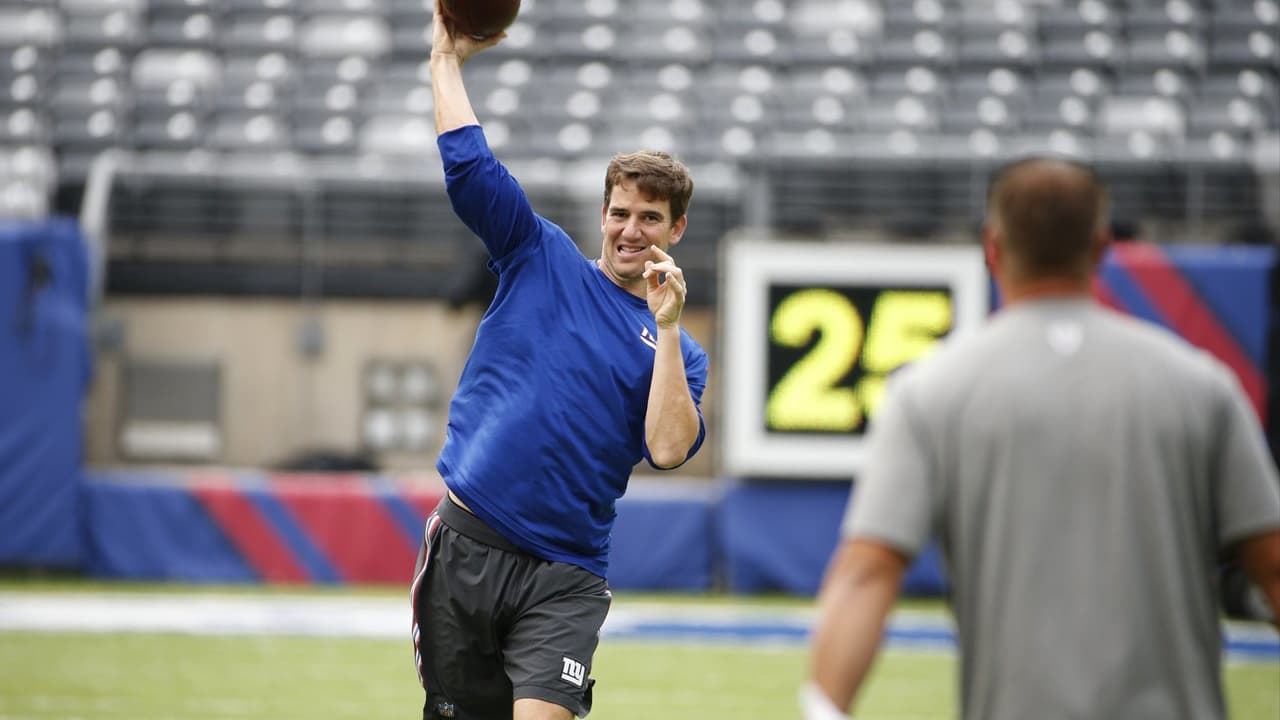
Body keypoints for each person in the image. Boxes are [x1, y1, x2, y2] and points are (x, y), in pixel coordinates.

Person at [802, 157, 1280, 720]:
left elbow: (867, 572)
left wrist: (825, 708)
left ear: (993, 247)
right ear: (1101, 247)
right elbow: (1271, 565)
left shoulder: (931, 390)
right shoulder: (1202, 386)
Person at [410, 3, 708, 719]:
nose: (630, 230)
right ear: (602, 213)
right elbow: (469, 168)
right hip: (466, 542)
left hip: (564, 575)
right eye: (620, 212)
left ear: (676, 228)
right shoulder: (536, 255)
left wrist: (666, 328)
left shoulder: (680, 349)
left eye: (649, 217)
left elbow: (668, 450)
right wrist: (444, 62)